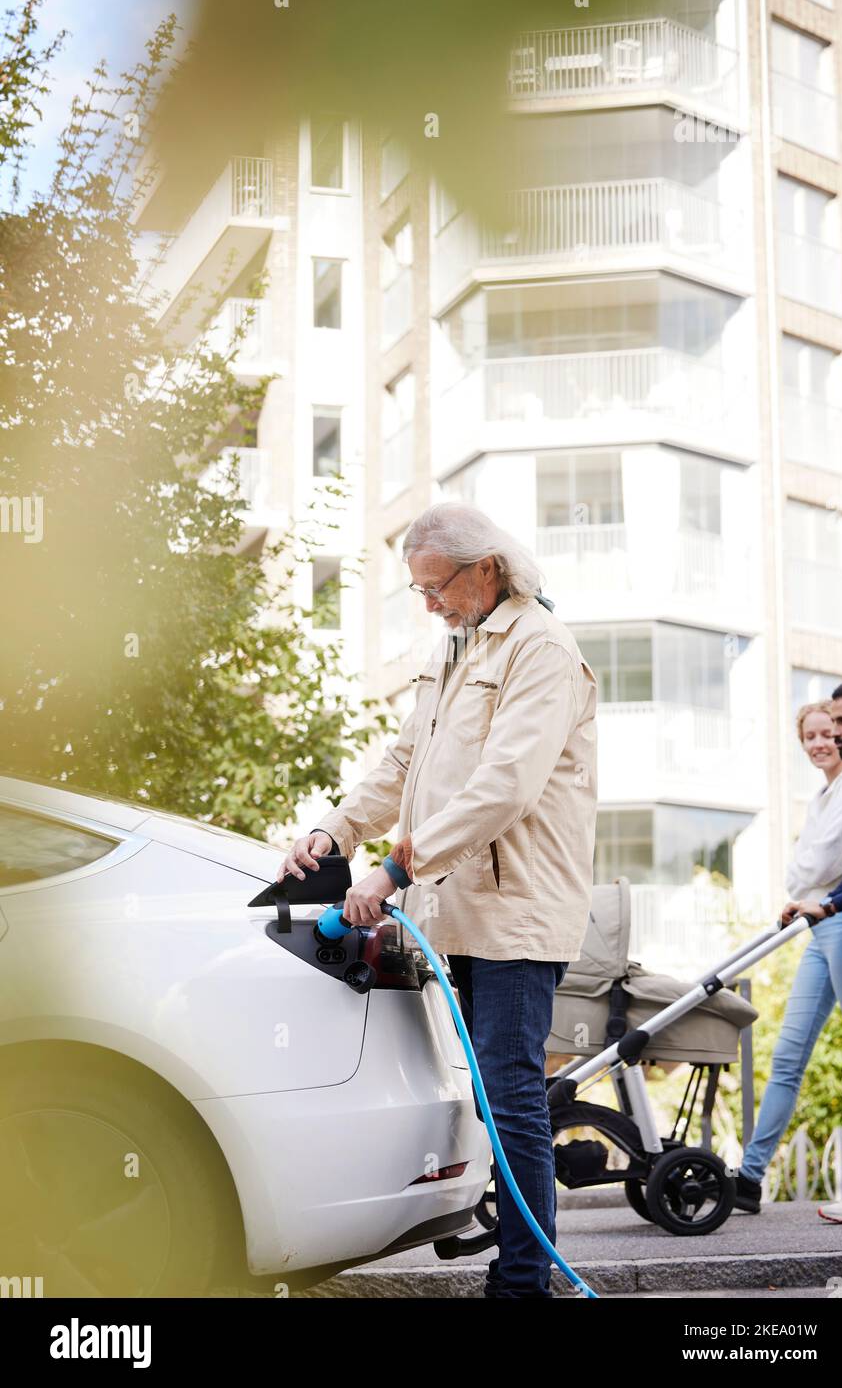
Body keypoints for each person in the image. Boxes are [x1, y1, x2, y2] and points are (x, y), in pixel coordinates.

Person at [278, 502, 598, 1296]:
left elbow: (504, 786)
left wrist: (394, 867)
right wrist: (334, 833)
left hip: (515, 911)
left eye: (435, 587)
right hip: (456, 905)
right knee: (487, 1096)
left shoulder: (541, 650)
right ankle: (512, 1256)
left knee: (510, 1094)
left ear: (484, 567)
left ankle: (523, 1282)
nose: (427, 603)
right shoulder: (456, 647)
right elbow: (403, 760)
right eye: (419, 591)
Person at [734, 685, 842, 1222]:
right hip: (824, 926)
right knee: (787, 1055)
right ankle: (748, 1178)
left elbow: (820, 868)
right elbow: (806, 873)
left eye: (834, 727)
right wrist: (817, 898)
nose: (825, 739)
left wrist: (824, 900)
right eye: (813, 733)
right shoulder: (830, 794)